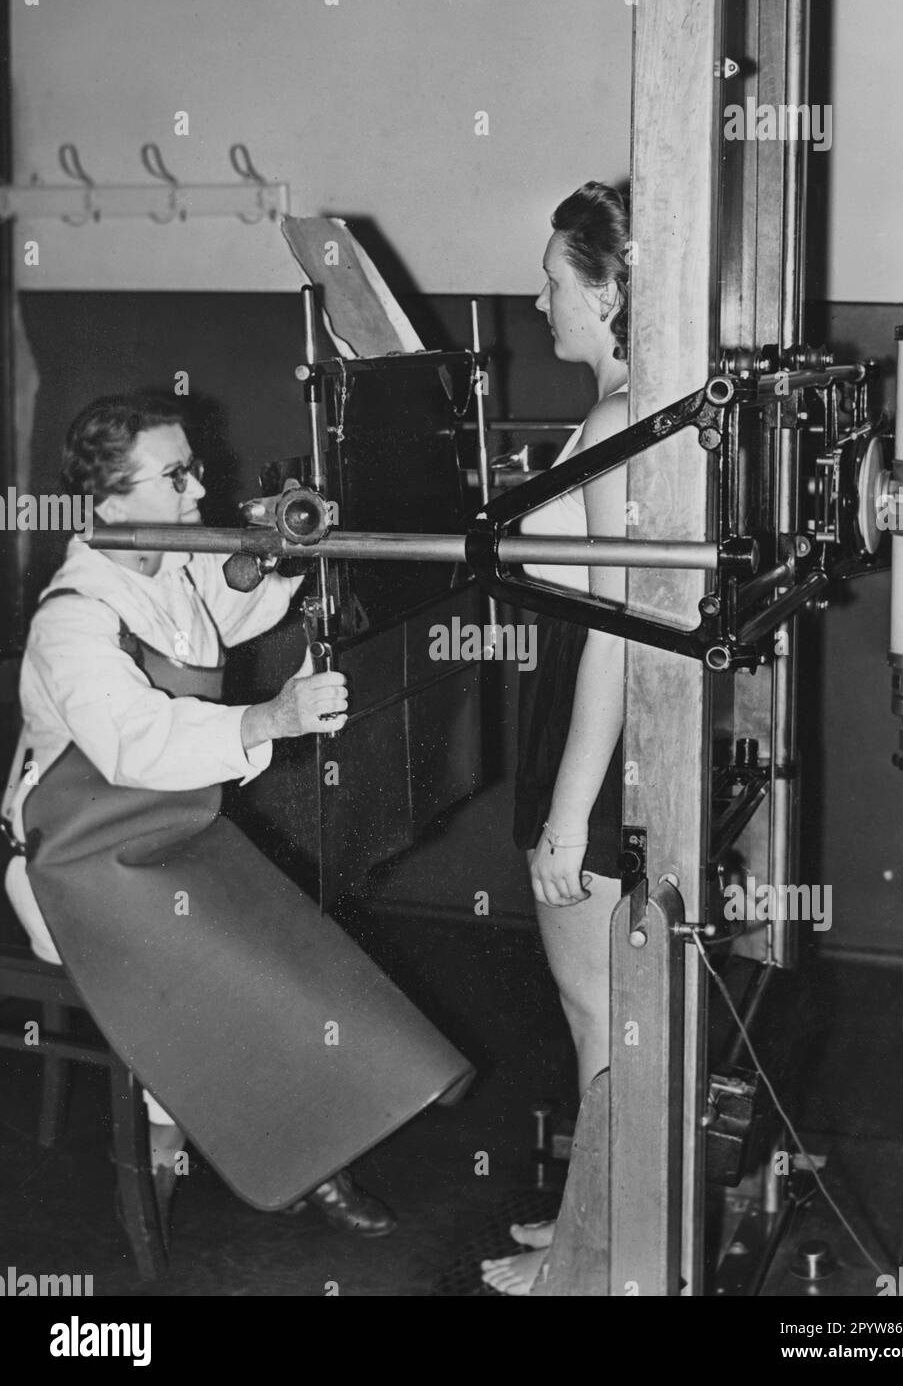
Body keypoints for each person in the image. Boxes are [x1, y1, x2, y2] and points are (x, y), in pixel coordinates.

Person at [3, 393, 472, 1238]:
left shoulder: (169, 563)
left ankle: (326, 1146)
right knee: (220, 980)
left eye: (196, 470)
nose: (198, 492)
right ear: (109, 500)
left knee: (302, 952)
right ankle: (159, 1176)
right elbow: (136, 745)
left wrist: (282, 559)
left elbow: (228, 609)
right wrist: (270, 720)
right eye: (176, 476)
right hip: (74, 861)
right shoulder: (74, 619)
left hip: (169, 831)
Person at [481, 182, 630, 1294]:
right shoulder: (629, 409)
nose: (541, 301)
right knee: (602, 1023)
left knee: (605, 1023)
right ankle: (590, 1221)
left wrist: (571, 816)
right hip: (582, 719)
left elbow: (619, 638)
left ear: (612, 289)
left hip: (596, 735)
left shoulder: (623, 422)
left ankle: (592, 1267)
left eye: (554, 282)